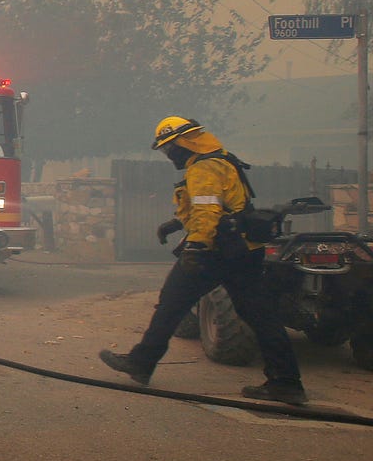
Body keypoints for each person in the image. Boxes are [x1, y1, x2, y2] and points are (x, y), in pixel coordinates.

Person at [99, 117, 308, 405]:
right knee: (260, 315)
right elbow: (220, 205)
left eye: (168, 149)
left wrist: (195, 247)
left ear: (182, 143)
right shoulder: (220, 160)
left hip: (215, 251)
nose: (168, 155)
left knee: (171, 304)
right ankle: (286, 383)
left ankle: (141, 362)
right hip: (243, 250)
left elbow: (208, 211)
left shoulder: (203, 167)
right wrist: (176, 222)